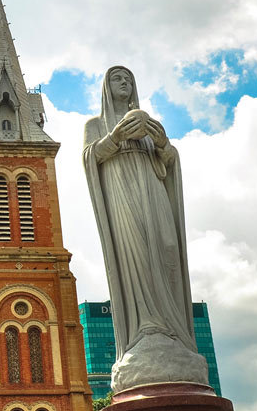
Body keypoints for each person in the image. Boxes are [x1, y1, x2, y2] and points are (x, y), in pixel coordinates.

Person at [84, 66, 204, 389]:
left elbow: (169, 160)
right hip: (123, 199)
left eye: (128, 79)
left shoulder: (152, 126)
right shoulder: (96, 125)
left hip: (153, 196)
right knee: (135, 255)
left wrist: (163, 142)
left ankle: (172, 329)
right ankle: (145, 328)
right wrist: (117, 136)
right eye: (116, 79)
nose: (123, 83)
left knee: (167, 251)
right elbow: (90, 158)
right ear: (106, 87)